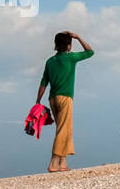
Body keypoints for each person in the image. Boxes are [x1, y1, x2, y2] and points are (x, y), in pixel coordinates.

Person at [35, 31, 94, 172]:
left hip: (53, 99)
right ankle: (53, 162)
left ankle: (63, 163)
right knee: (63, 129)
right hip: (65, 98)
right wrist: (79, 37)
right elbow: (90, 52)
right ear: (68, 45)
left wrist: (37, 101)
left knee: (64, 128)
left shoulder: (50, 61)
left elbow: (44, 82)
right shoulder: (70, 58)